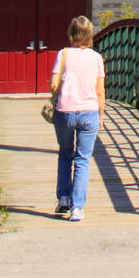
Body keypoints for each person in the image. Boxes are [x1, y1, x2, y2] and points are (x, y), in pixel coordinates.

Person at [50, 15, 105, 222]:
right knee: (82, 160)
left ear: (71, 34)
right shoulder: (96, 58)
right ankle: (77, 208)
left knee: (65, 154)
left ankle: (63, 198)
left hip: (65, 111)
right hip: (89, 111)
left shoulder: (63, 54)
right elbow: (100, 91)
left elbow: (54, 86)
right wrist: (101, 114)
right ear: (90, 35)